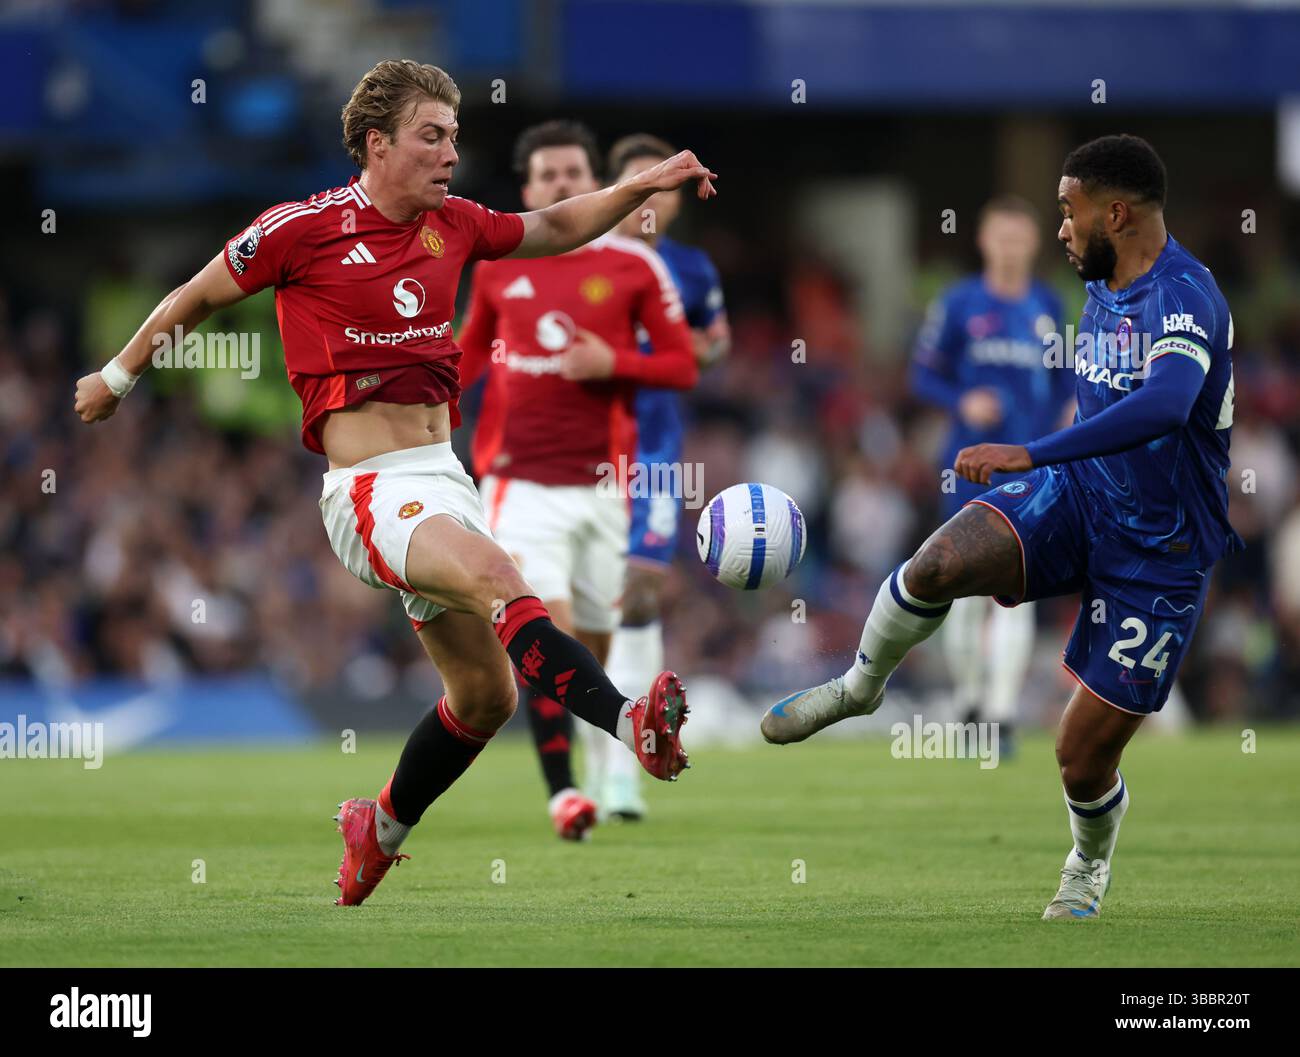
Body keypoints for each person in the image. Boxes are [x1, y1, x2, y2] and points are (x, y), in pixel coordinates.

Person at [74, 59, 716, 906]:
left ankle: (377, 828)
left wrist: (649, 181)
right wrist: (117, 377)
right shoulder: (303, 229)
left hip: (443, 479)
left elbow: (555, 224)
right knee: (502, 580)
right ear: (378, 144)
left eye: (454, 135)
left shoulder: (454, 225)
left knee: (483, 698)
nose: (451, 152)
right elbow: (194, 295)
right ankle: (630, 721)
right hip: (370, 491)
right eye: (432, 135)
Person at [762, 134, 1242, 920]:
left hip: (1162, 551)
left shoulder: (1184, 294)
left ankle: (1088, 861)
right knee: (938, 563)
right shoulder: (1098, 277)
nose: (1060, 227)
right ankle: (857, 688)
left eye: (1068, 210)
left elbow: (1162, 404)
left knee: (1078, 756)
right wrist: (1044, 460)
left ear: (1115, 213)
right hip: (1077, 498)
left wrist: (1030, 448)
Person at [457, 121, 698, 840]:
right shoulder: (498, 266)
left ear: (594, 183)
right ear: (528, 190)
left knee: (592, 645)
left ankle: (609, 762)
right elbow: (465, 361)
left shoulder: (634, 266)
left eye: (573, 174)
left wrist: (615, 363)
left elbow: (682, 366)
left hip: (604, 486)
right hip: (518, 483)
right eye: (547, 176)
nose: (561, 185)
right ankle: (565, 794)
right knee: (545, 626)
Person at [582, 133, 730, 821]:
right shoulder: (580, 261)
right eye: (637, 182)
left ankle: (622, 773)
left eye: (663, 185)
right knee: (586, 619)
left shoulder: (691, 270)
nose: (651, 198)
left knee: (640, 596)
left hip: (656, 458)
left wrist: (690, 346)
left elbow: (715, 342)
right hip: (578, 458)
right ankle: (598, 756)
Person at [910, 195, 1073, 754]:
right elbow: (922, 375)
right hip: (967, 467)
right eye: (998, 236)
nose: (1008, 246)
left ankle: (1000, 713)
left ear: (1034, 242)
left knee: (1016, 588)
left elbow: (1066, 383)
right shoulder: (958, 304)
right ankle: (969, 699)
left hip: (1027, 470)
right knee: (962, 591)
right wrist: (963, 400)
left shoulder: (1049, 306)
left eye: (1018, 236)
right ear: (982, 241)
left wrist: (1067, 420)